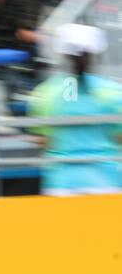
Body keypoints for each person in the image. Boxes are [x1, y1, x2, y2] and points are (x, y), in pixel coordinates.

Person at [28, 23, 122, 196]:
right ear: (95, 56)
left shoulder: (45, 93)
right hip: (106, 183)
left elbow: (43, 139)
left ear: (62, 55)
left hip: (61, 184)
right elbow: (119, 137)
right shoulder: (113, 92)